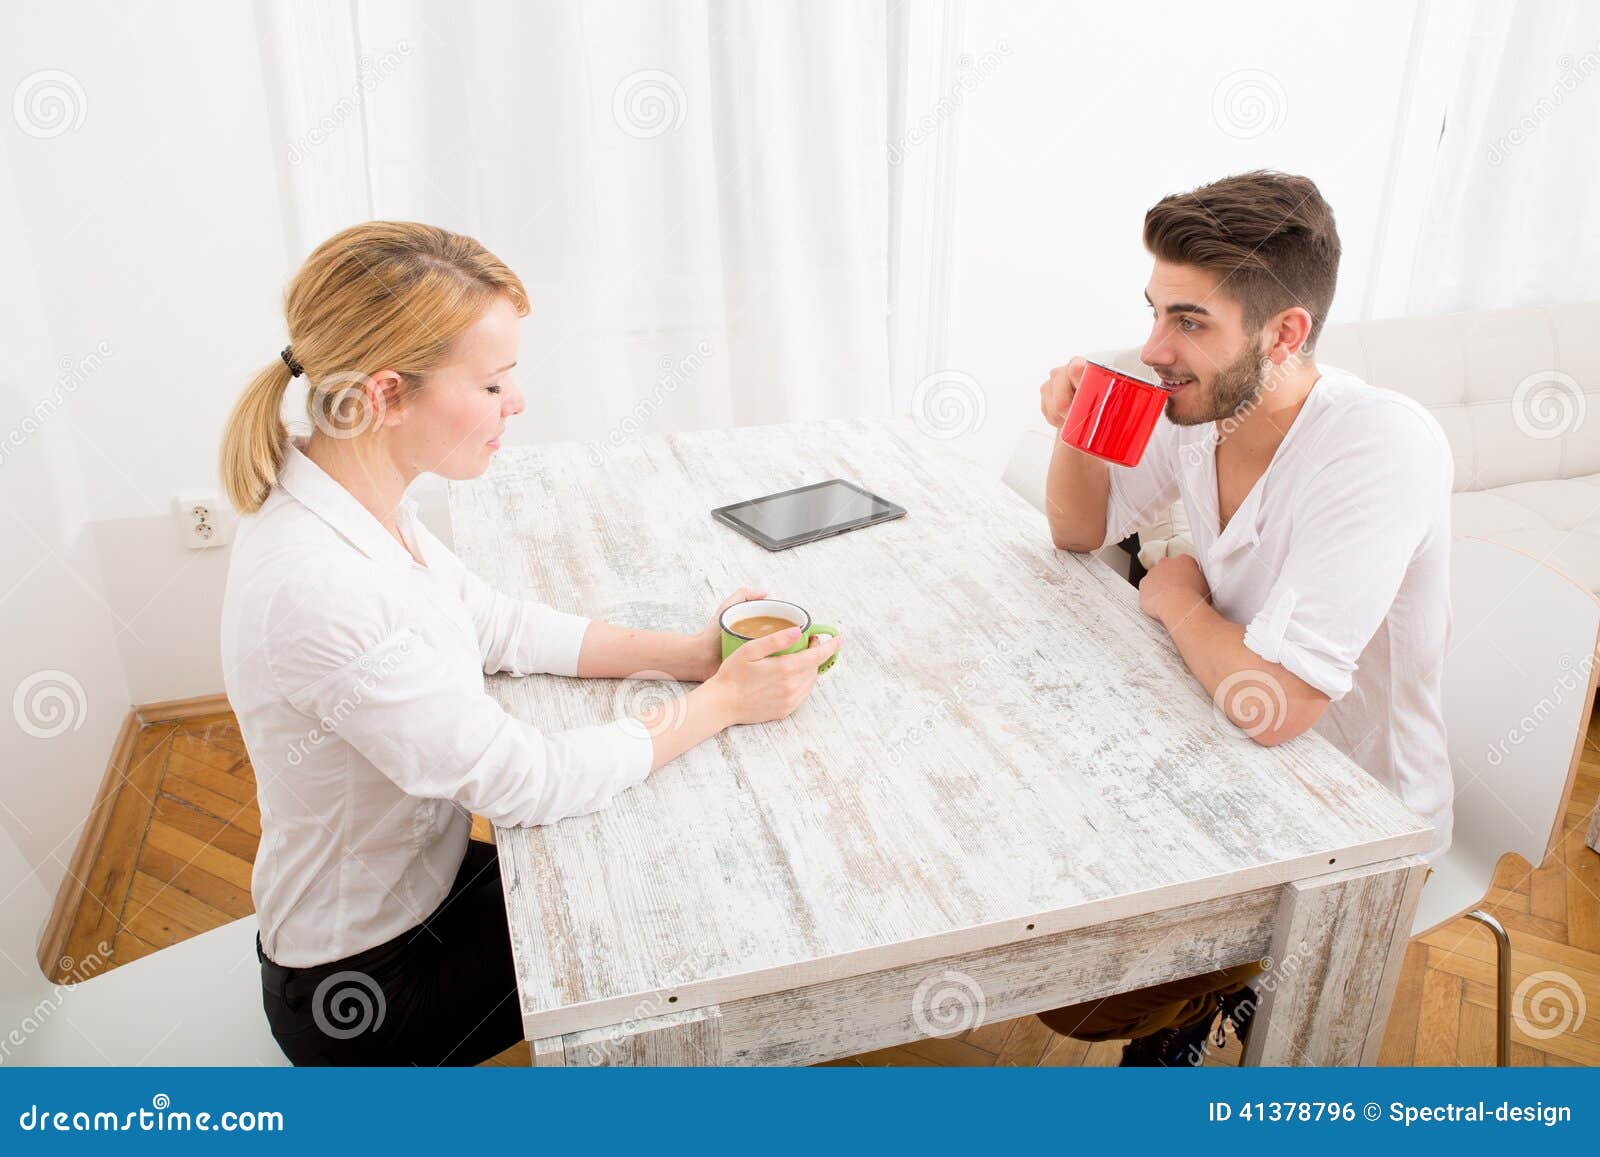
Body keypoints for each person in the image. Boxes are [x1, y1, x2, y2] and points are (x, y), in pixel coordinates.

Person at [218, 221, 841, 1065]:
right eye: (492, 382)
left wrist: (691, 655)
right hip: (368, 987)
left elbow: (498, 624)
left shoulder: (352, 490)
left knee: (653, 855)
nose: (516, 402)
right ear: (386, 394)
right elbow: (526, 780)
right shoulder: (322, 586)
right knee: (684, 928)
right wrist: (721, 704)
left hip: (426, 888)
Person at [1034, 171, 1453, 1065]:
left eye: (1189, 321)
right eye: (1155, 311)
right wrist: (1075, 428)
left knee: (1089, 993)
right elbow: (1077, 531)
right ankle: (1201, 1004)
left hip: (1350, 817)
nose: (1153, 348)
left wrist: (1176, 599)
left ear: (1285, 333)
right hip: (1212, 729)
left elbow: (1275, 702)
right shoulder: (1202, 406)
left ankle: (1233, 1006)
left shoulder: (1380, 443)